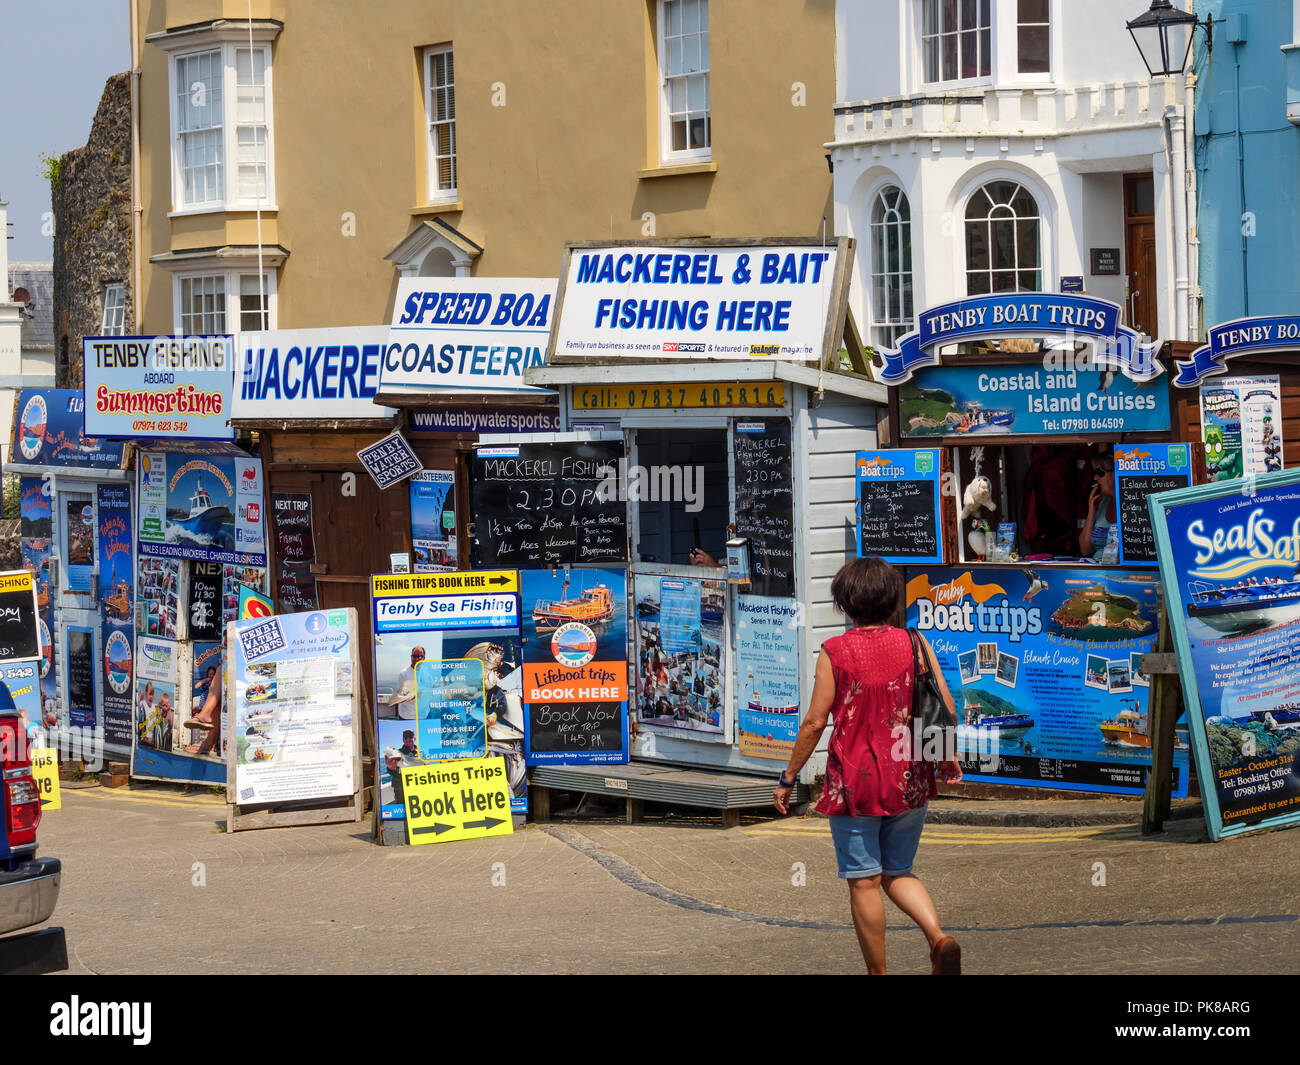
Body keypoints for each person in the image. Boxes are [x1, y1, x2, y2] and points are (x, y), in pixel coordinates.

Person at [773, 556, 964, 975]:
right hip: (909, 777)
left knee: (864, 880)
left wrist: (788, 777)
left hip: (854, 784)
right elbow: (944, 702)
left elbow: (814, 721)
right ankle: (938, 938)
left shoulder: (835, 651)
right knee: (899, 872)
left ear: (846, 602)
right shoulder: (916, 643)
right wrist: (946, 755)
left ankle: (879, 974)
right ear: (891, 598)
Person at [1078, 448, 1117, 559]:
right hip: (1098, 570)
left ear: (1115, 474)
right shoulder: (1103, 504)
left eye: (1100, 473)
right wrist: (1091, 511)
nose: (1095, 478)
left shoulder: (1132, 506)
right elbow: (1085, 550)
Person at [385, 646, 424, 720]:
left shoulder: (427, 674)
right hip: (406, 715)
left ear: (424, 658)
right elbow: (402, 696)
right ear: (411, 657)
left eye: (420, 656)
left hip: (422, 715)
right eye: (414, 656)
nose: (416, 658)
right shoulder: (403, 673)